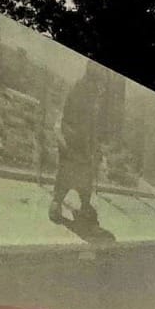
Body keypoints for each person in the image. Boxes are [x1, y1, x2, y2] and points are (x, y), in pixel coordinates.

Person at [49, 64, 110, 228]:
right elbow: (80, 124)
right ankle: (58, 205)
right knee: (69, 174)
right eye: (99, 80)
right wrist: (89, 147)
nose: (100, 86)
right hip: (72, 141)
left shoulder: (89, 91)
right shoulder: (82, 92)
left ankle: (83, 206)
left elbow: (93, 125)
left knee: (82, 177)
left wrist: (94, 147)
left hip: (78, 142)